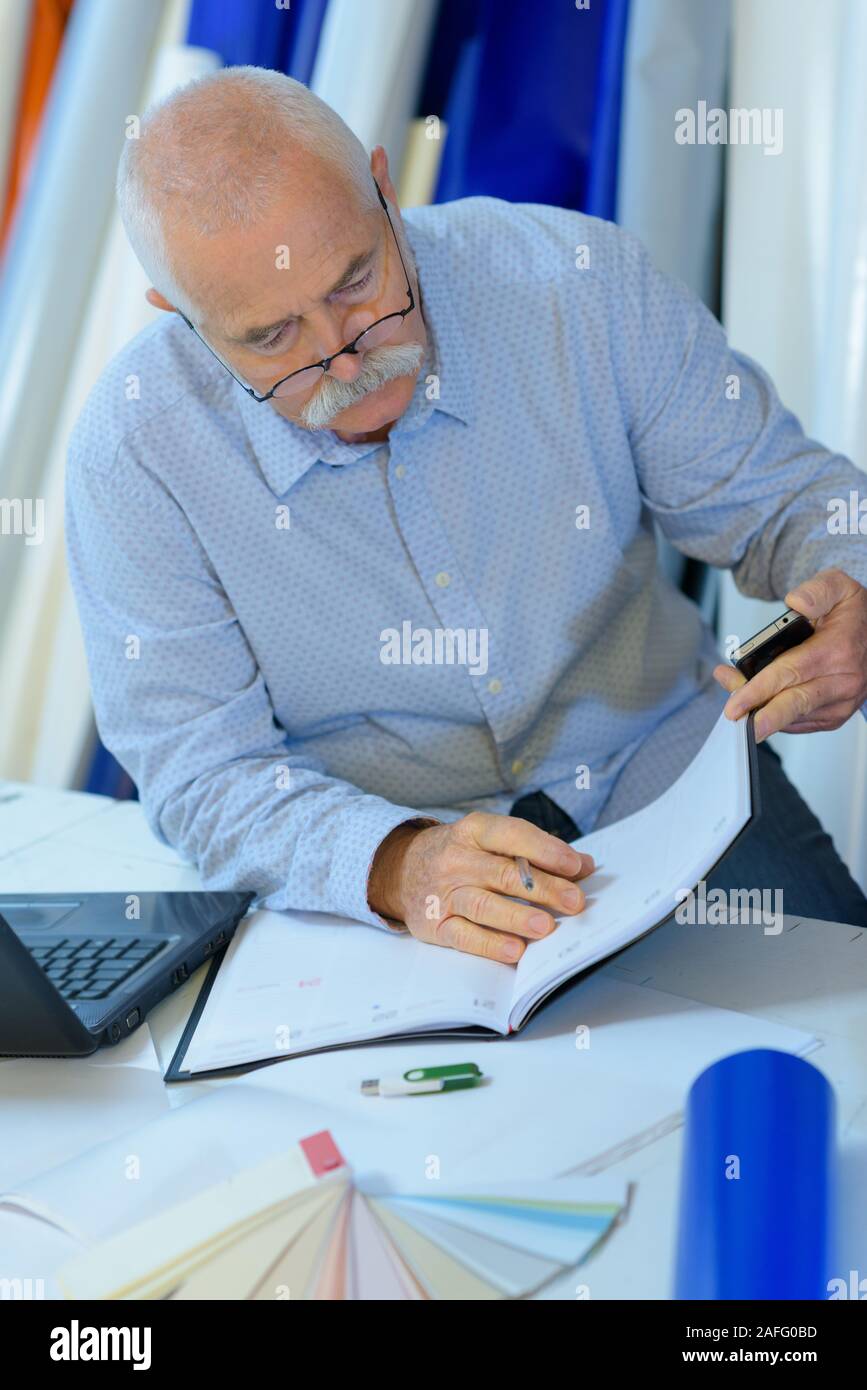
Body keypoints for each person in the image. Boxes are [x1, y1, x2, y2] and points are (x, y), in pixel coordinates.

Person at [66, 67, 867, 967]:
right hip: (384, 871)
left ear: (384, 187)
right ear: (182, 319)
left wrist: (854, 593)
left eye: (355, 282)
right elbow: (201, 771)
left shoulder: (578, 285)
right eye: (270, 338)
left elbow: (798, 505)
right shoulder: (133, 453)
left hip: (673, 785)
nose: (342, 360)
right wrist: (397, 864)